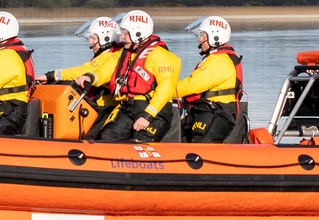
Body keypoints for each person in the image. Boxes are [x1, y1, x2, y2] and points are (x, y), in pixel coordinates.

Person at [95, 9, 181, 143]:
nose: (122, 37)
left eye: (125, 33)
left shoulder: (161, 56)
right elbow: (104, 70)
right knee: (108, 136)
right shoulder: (125, 54)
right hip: (128, 109)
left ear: (138, 33)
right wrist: (89, 77)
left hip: (154, 112)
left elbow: (166, 87)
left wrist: (147, 116)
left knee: (141, 140)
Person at [178, 15, 244, 143]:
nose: (200, 40)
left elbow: (192, 85)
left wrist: (162, 91)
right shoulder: (215, 58)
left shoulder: (218, 61)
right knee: (178, 134)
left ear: (215, 37)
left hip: (217, 113)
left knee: (200, 140)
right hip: (205, 110)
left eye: (203, 36)